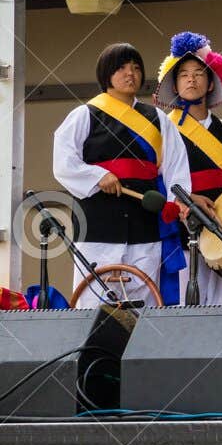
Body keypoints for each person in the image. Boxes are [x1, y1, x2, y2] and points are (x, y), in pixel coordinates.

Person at [52, 43, 191, 305]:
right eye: (122, 68)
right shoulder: (84, 115)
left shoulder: (158, 118)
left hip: (145, 226)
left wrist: (178, 203)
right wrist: (96, 177)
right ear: (107, 75)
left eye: (136, 68)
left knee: (146, 303)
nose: (130, 74)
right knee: (93, 305)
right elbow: (63, 163)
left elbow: (176, 168)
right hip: (97, 229)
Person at [153, 32, 222, 304]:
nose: (191, 79)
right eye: (184, 74)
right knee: (185, 313)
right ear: (174, 85)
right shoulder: (161, 131)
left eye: (199, 72)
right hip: (181, 235)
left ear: (211, 83)